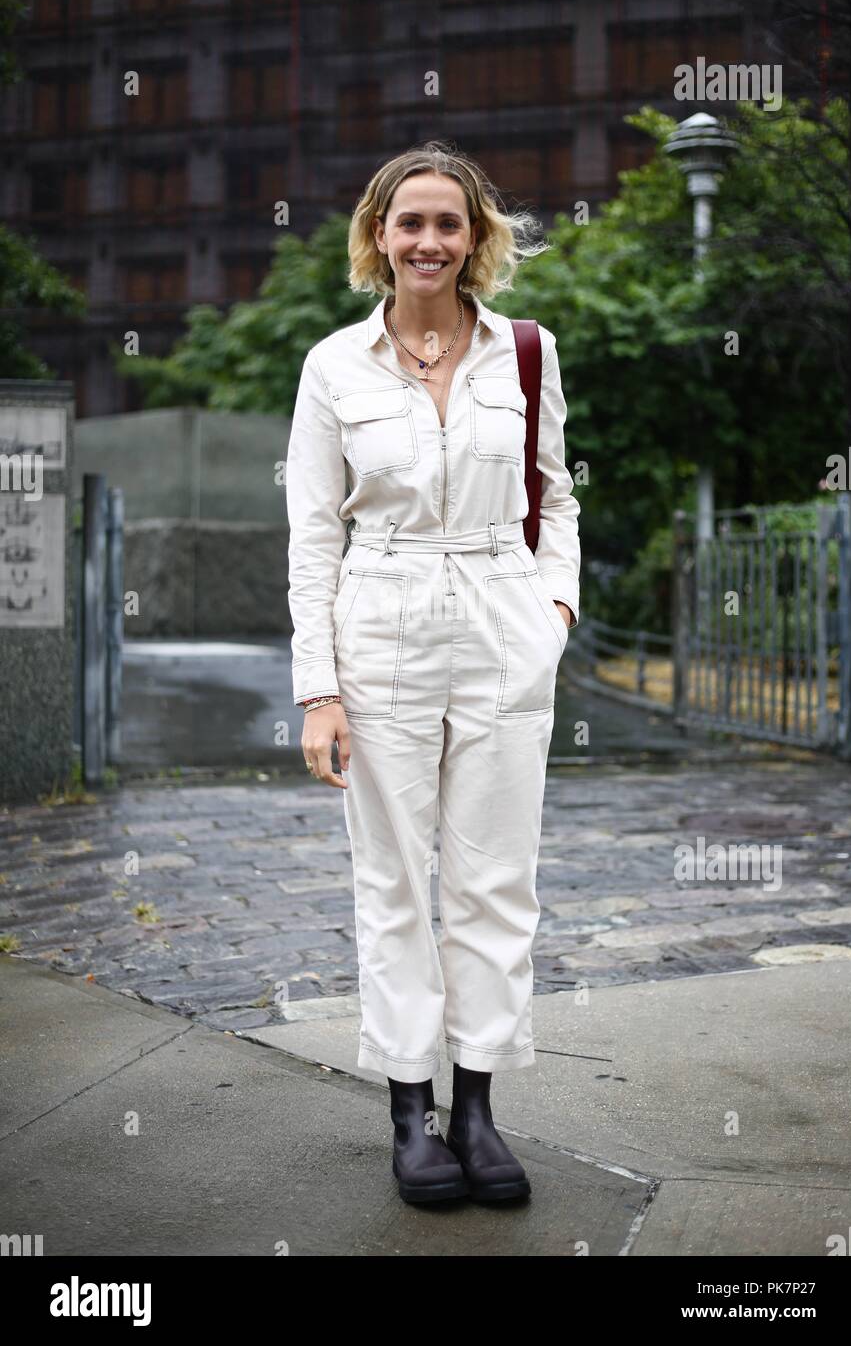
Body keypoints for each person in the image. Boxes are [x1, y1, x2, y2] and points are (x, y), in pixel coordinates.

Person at [285, 140, 581, 1204]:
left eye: (447, 223)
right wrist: (318, 688)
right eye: (408, 222)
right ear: (377, 236)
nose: (427, 240)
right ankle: (409, 1111)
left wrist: (551, 612)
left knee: (498, 881)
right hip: (382, 629)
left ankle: (477, 1107)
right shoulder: (333, 367)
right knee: (396, 881)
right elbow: (312, 536)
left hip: (503, 619)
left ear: (474, 239)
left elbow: (555, 496)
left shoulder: (527, 352)